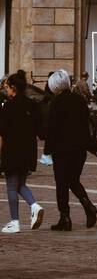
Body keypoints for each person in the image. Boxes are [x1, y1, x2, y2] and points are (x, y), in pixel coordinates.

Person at [44, 69, 97, 230]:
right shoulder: (79, 100)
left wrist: (47, 150)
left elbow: (52, 129)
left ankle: (65, 218)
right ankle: (88, 205)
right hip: (79, 149)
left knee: (62, 183)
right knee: (73, 180)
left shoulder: (56, 103)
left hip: (62, 150)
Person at [0, 70, 44, 233]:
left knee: (11, 186)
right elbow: (40, 128)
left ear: (13, 88)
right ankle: (34, 205)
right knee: (21, 184)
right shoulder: (32, 104)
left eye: (7, 87)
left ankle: (15, 221)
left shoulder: (8, 107)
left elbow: (2, 133)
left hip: (12, 150)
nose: (6, 90)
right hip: (28, 150)